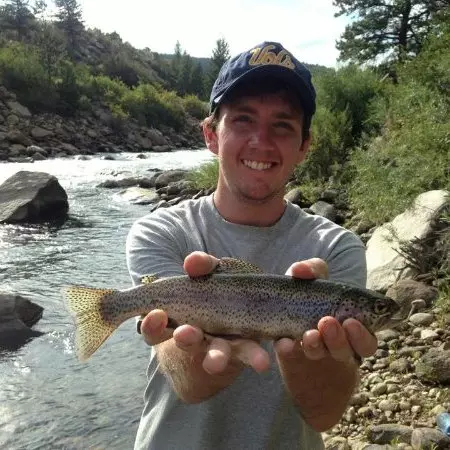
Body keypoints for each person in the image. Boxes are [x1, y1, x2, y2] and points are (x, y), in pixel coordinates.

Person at [126, 41, 377, 450]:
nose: (262, 140)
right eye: (243, 120)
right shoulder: (160, 232)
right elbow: (184, 378)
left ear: (304, 145)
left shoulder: (338, 248)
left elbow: (324, 415)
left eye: (282, 125)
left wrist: (300, 355)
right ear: (211, 134)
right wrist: (207, 359)